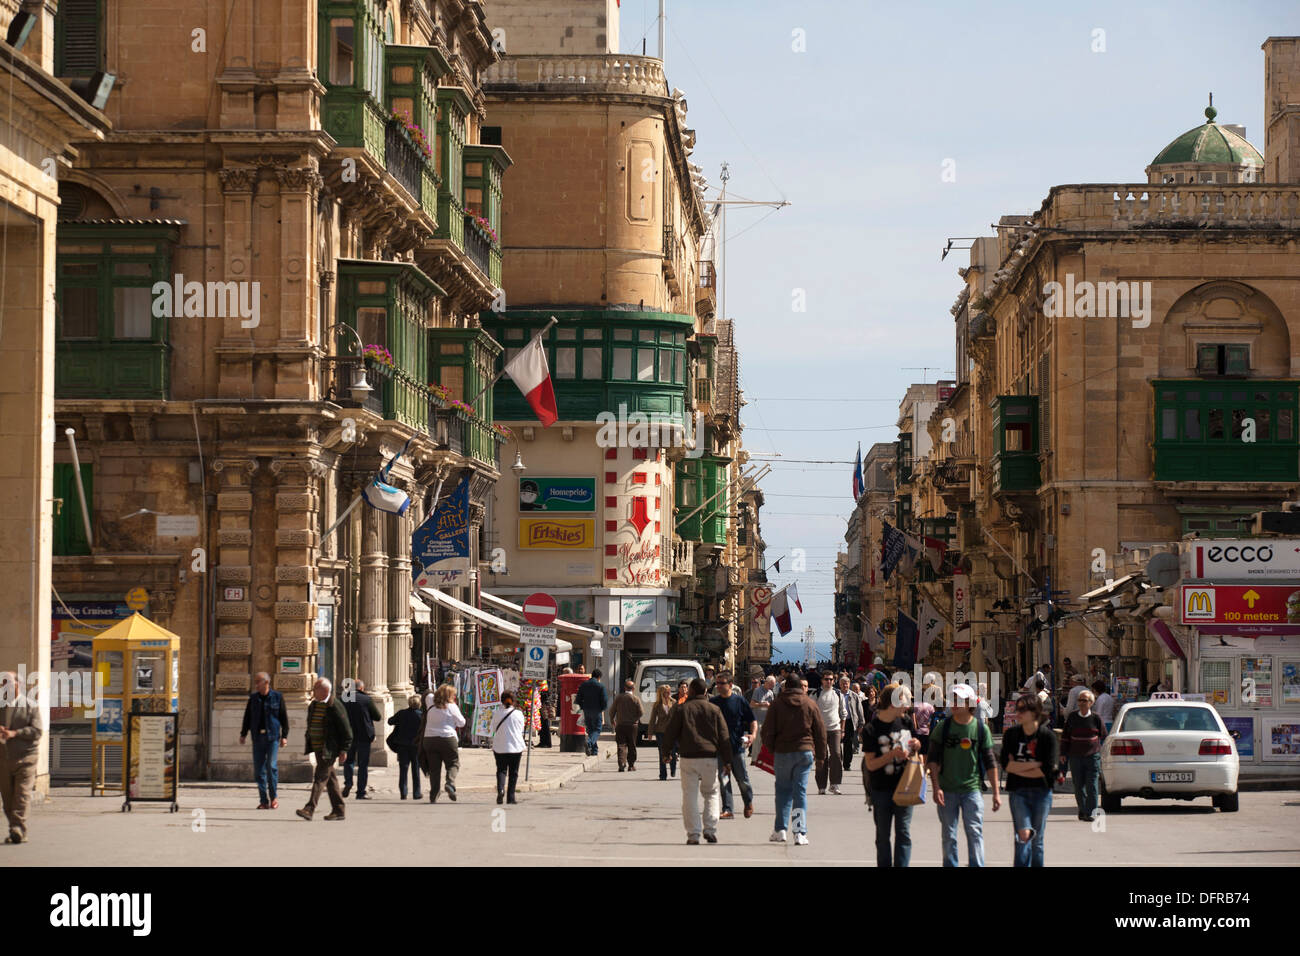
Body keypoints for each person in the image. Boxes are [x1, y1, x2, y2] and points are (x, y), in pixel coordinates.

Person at [926, 684, 1000, 867]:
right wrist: (936, 787)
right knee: (949, 835)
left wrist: (996, 792)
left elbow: (990, 762)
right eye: (953, 699)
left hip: (972, 790)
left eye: (959, 699)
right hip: (947, 790)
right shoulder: (942, 728)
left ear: (969, 703)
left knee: (975, 832)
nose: (954, 703)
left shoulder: (981, 729)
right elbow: (933, 760)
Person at [661, 678, 733, 845]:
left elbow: (670, 732)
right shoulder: (715, 710)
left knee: (689, 796)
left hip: (688, 757)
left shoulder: (681, 709)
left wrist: (666, 753)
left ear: (691, 692)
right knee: (711, 793)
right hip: (710, 757)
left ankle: (693, 834)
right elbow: (724, 736)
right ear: (706, 692)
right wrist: (728, 761)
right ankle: (710, 829)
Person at [760, 673, 827, 845]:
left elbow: (766, 730)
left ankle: (781, 829)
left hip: (783, 752)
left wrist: (772, 748)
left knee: (783, 791)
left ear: (786, 687)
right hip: (804, 752)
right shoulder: (810, 704)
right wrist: (820, 756)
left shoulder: (776, 705)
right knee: (800, 792)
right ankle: (799, 832)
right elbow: (820, 732)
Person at [864, 682, 922, 867]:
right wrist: (892, 754)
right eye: (904, 701)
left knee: (904, 833)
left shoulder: (905, 721)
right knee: (883, 836)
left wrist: (916, 745)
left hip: (905, 785)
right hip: (881, 789)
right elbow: (871, 765)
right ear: (892, 704)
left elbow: (914, 747)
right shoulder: (871, 729)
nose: (907, 706)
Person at [1000, 693, 1058, 866]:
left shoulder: (1047, 737)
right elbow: (1005, 765)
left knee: (1037, 841)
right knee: (1023, 835)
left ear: (1035, 712)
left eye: (1023, 709)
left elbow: (1047, 770)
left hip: (1042, 792)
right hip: (1018, 792)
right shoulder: (1011, 734)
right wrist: (1034, 765)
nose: (1018, 713)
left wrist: (1017, 767)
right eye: (1017, 708)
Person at [297, 678, 352, 822]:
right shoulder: (314, 705)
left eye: (315, 688)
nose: (313, 691)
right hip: (317, 747)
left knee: (320, 777)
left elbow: (346, 729)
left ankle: (309, 808)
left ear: (325, 690)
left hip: (329, 749)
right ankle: (339, 809)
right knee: (330, 779)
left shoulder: (335, 706)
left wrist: (344, 750)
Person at [0, 671, 43, 843]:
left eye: (7, 683)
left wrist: (15, 733)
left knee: (22, 794)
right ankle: (15, 830)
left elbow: (37, 731)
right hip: (4, 758)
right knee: (7, 797)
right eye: (2, 684)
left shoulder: (30, 705)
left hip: (26, 757)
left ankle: (17, 827)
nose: (4, 687)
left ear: (18, 685)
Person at [240, 671, 289, 810]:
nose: (256, 685)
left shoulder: (277, 697)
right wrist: (243, 734)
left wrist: (284, 736)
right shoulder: (253, 698)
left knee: (271, 766)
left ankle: (274, 798)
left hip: (272, 737)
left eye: (258, 682)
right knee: (258, 770)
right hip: (257, 737)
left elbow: (284, 718)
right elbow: (247, 717)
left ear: (266, 683)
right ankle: (263, 800)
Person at [710, 673, 756, 820]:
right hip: (720, 750)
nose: (718, 686)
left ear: (730, 685)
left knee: (742, 780)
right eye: (717, 683)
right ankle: (728, 809)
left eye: (721, 683)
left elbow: (752, 720)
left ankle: (748, 801)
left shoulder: (739, 701)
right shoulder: (714, 702)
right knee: (724, 780)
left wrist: (753, 735)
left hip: (737, 748)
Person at [1061, 689, 1106, 820]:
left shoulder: (1096, 718)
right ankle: (1082, 809)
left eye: (1084, 700)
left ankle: (1090, 812)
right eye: (1079, 700)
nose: (1081, 703)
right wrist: (1063, 753)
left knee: (1092, 785)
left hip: (1092, 757)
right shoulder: (1073, 717)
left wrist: (1099, 750)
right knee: (1078, 785)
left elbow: (1103, 735)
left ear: (1091, 702)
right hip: (1075, 756)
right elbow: (1065, 737)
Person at [422, 683, 466, 803]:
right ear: (449, 696)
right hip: (447, 738)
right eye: (453, 695)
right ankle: (450, 782)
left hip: (430, 739)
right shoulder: (452, 707)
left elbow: (428, 693)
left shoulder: (430, 702)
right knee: (453, 764)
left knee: (434, 769)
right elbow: (462, 723)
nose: (455, 697)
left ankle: (434, 794)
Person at [342, 678, 381, 799]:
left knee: (349, 761)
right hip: (364, 735)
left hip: (348, 735)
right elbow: (377, 716)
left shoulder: (344, 698)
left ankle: (348, 782)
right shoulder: (366, 699)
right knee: (363, 764)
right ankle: (360, 792)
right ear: (362, 688)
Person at [811, 672, 847, 795]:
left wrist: (843, 729)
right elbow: (811, 714)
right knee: (822, 757)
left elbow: (843, 713)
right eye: (826, 679)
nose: (829, 681)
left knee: (837, 754)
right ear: (822, 680)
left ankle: (834, 784)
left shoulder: (838, 693)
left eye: (831, 679)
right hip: (820, 730)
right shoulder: (816, 694)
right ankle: (821, 786)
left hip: (835, 728)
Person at [492, 691, 526, 805]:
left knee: (501, 770)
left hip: (500, 746)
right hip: (515, 746)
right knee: (513, 772)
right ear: (514, 701)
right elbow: (521, 729)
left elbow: (493, 728)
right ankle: (511, 797)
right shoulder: (519, 714)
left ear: (501, 700)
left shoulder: (496, 713)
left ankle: (501, 789)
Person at [387, 695, 423, 800]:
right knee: (415, 769)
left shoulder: (402, 713)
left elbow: (390, 721)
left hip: (402, 745)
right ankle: (416, 793)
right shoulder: (421, 716)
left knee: (403, 769)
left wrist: (399, 721)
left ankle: (403, 792)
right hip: (415, 746)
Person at [611, 679, 644, 771]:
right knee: (632, 744)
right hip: (632, 725)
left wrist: (612, 720)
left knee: (621, 745)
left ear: (625, 688)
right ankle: (631, 765)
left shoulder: (619, 698)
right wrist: (636, 719)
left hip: (620, 724)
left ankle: (621, 763)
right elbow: (641, 712)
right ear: (633, 688)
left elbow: (612, 710)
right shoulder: (635, 699)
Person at [575, 668, 609, 757]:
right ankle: (589, 742)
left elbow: (578, 699)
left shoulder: (583, 685)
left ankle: (594, 750)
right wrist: (602, 708)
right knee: (597, 729)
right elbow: (605, 700)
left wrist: (583, 707)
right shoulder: (600, 686)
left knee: (590, 730)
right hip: (597, 710)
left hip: (586, 710)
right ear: (599, 677)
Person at [648, 684, 678, 779]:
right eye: (666, 692)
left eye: (669, 691)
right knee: (662, 753)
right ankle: (663, 774)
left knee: (672, 752)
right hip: (660, 731)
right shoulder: (657, 705)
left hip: (672, 732)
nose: (668, 693)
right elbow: (652, 719)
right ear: (661, 693)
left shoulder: (674, 702)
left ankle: (673, 768)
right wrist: (650, 732)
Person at [840, 676, 864, 772]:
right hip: (839, 722)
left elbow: (860, 710)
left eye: (847, 683)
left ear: (849, 684)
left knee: (848, 744)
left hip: (850, 722)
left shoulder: (854, 696)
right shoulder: (837, 694)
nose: (845, 685)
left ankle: (847, 764)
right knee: (837, 744)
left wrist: (861, 723)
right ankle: (837, 761)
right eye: (843, 683)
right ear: (840, 684)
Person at [912, 679, 936, 758]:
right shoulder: (930, 707)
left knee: (918, 753)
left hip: (917, 732)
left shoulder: (915, 706)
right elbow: (932, 719)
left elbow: (913, 720)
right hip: (927, 732)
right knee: (925, 753)